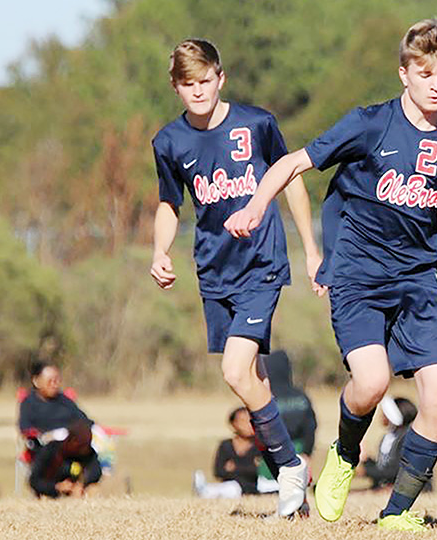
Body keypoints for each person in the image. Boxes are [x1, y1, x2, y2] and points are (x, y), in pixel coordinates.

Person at [225, 19, 437, 531]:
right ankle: (344, 454)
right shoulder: (369, 124)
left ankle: (397, 512)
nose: (435, 82)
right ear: (403, 73)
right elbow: (291, 163)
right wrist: (255, 207)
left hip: (416, 283)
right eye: (424, 71)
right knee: (371, 382)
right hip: (358, 276)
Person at [149, 39, 324, 517]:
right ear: (176, 87)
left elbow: (291, 179)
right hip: (213, 270)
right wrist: (160, 250)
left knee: (234, 371)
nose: (198, 91)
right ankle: (293, 497)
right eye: (189, 85)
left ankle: (290, 466)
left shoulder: (257, 123)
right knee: (256, 379)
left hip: (261, 266)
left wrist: (311, 250)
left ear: (220, 78)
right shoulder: (169, 142)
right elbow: (170, 204)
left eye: (206, 81)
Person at [18, 362, 93, 454]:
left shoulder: (65, 400)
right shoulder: (28, 403)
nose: (54, 385)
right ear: (36, 381)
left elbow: (84, 420)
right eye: (50, 381)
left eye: (57, 381)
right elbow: (26, 429)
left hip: (71, 444)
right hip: (44, 450)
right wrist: (48, 436)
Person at [194, 406, 265, 499]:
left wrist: (235, 468)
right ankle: (203, 489)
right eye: (243, 421)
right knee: (228, 488)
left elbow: (260, 471)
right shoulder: (226, 445)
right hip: (228, 486)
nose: (248, 424)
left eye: (251, 420)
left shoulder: (260, 446)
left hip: (250, 488)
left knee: (232, 488)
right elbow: (219, 471)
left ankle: (204, 490)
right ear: (233, 424)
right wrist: (248, 467)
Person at [28, 420, 102, 498]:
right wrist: (57, 487)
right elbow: (34, 481)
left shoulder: (89, 453)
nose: (84, 450)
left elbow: (96, 471)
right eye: (81, 447)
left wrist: (82, 484)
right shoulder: (50, 451)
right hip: (51, 495)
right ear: (71, 441)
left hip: (75, 495)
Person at [358, 396, 419, 490]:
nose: (381, 416)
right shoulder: (388, 438)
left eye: (385, 414)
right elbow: (383, 469)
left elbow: (395, 471)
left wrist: (366, 470)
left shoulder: (407, 439)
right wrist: (366, 459)